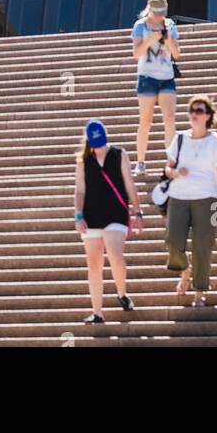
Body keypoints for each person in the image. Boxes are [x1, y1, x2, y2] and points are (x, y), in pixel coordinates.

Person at [165, 94, 217, 306]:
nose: (193, 114)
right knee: (173, 241)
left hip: (209, 199)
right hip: (178, 197)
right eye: (191, 110)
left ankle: (200, 292)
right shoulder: (180, 139)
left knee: (204, 246)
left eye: (199, 111)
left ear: (208, 116)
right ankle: (185, 272)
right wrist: (175, 172)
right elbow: (168, 168)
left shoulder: (216, 141)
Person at [74, 119, 143, 323]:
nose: (99, 146)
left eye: (101, 141)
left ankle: (121, 293)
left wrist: (138, 212)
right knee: (94, 263)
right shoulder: (83, 160)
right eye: (95, 142)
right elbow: (79, 190)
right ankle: (98, 312)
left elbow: (129, 184)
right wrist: (78, 216)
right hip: (91, 215)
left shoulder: (119, 154)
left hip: (116, 213)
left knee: (115, 255)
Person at [131, 0, 179, 175]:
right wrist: (150, 39)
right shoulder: (140, 26)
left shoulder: (170, 25)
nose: (159, 17)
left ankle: (172, 161)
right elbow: (136, 53)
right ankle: (141, 161)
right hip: (146, 77)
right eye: (156, 13)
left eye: (161, 13)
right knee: (146, 121)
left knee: (170, 119)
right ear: (149, 10)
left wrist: (167, 40)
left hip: (166, 76)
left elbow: (176, 53)